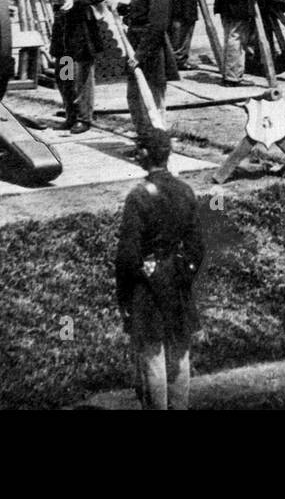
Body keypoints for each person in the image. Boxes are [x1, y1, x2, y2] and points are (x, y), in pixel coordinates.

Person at [115, 129, 205, 410]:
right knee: (179, 353)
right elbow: (197, 247)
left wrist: (126, 296)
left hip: (148, 282)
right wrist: (183, 274)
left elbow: (128, 255)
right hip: (177, 280)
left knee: (152, 357)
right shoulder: (185, 190)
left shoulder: (139, 196)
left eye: (138, 149)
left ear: (144, 154)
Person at [46, 0, 106, 133]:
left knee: (81, 74)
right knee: (64, 73)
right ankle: (70, 114)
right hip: (64, 26)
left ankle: (84, 118)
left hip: (80, 27)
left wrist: (77, 1)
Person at [122, 0, 177, 151]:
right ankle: (144, 143)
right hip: (136, 44)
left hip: (150, 51)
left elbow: (157, 25)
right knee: (135, 99)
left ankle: (157, 149)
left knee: (151, 99)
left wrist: (140, 55)